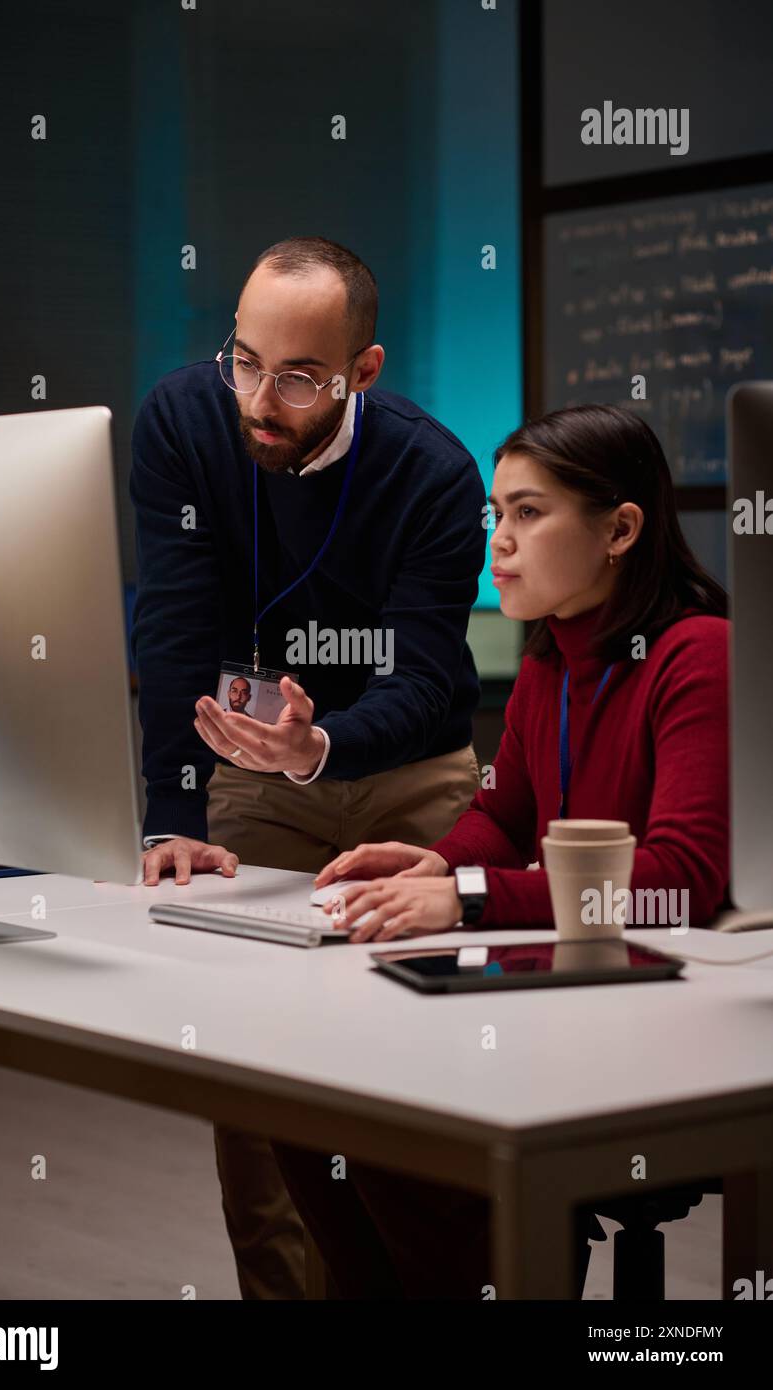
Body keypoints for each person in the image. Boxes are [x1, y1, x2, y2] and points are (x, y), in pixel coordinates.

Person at [271, 402, 730, 1298]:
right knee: (306, 1099)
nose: (501, 540)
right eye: (496, 514)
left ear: (621, 530)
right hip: (561, 991)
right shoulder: (550, 666)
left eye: (529, 512)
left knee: (392, 1129)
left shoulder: (696, 656)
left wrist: (473, 898)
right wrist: (434, 863)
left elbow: (681, 880)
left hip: (660, 1013)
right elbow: (504, 820)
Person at [129, 237, 487, 1298]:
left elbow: (426, 680)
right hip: (250, 763)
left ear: (360, 374)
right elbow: (176, 632)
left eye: (298, 376)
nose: (259, 398)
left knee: (418, 1077)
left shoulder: (433, 470)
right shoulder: (183, 423)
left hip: (410, 772)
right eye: (243, 360)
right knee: (257, 1091)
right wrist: (169, 815)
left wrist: (320, 744)